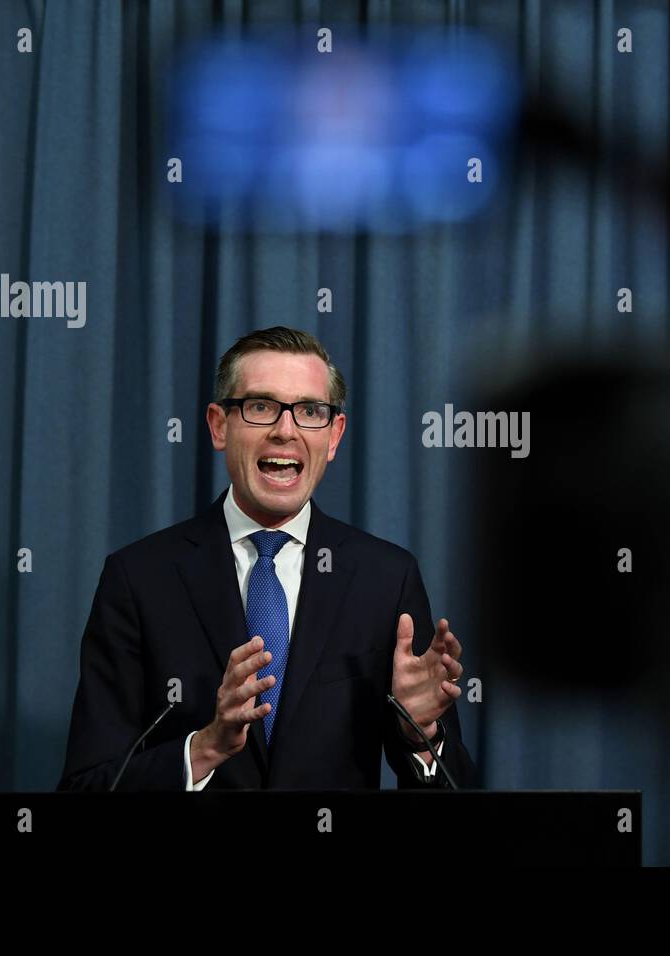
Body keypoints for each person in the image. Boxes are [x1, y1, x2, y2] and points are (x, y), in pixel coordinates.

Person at [58, 327, 477, 790]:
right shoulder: (138, 579)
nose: (285, 431)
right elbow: (85, 789)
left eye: (310, 412)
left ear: (334, 436)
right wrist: (205, 748)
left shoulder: (385, 578)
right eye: (260, 407)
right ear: (219, 425)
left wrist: (421, 734)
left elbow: (459, 799)